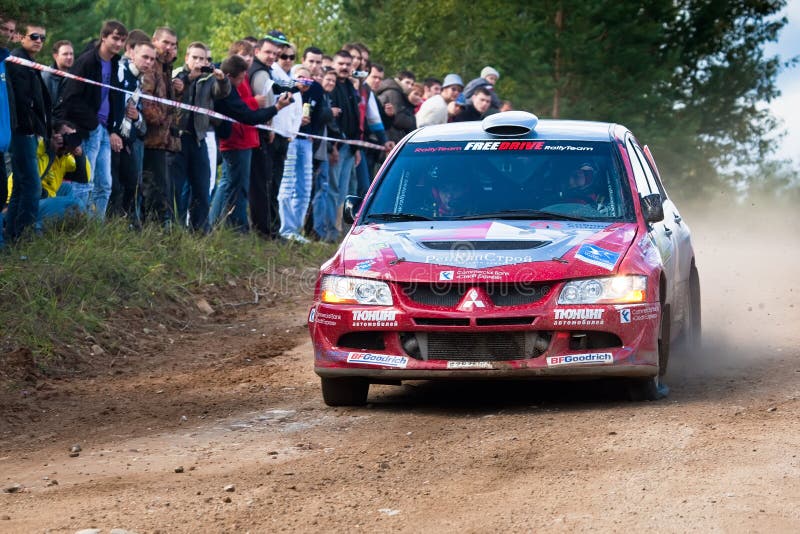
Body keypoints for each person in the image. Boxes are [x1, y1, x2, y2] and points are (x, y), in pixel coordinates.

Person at [209, 54, 292, 232]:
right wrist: (276, 108)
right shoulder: (229, 90)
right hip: (233, 141)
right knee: (234, 186)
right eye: (240, 79)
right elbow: (248, 116)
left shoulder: (232, 85)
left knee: (230, 184)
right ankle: (233, 227)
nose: (242, 82)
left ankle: (216, 223)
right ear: (230, 77)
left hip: (239, 140)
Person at [55, 20, 127, 220]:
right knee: (85, 181)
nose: (118, 43)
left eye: (122, 40)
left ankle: (95, 227)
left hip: (105, 129)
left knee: (105, 184)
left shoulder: (115, 64)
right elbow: (70, 97)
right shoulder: (87, 61)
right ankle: (76, 223)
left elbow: (116, 97)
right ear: (104, 37)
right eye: (114, 38)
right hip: (87, 128)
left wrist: (112, 127)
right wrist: (92, 123)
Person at [170, 42, 230, 232]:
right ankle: (175, 227)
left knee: (202, 187)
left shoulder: (209, 78)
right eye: (195, 57)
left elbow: (222, 93)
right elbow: (173, 95)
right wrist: (189, 78)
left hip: (199, 137)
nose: (198, 61)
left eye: (202, 58)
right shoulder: (178, 75)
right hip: (178, 137)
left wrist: (222, 80)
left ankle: (200, 230)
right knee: (176, 188)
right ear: (187, 57)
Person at [5, 21, 52, 242]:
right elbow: (23, 102)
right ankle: (24, 236)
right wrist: (32, 128)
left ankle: (12, 234)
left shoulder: (28, 62)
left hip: (27, 131)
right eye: (34, 36)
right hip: (21, 131)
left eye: (43, 37)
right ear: (20, 37)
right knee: (32, 186)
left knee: (21, 187)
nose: (39, 41)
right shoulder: (17, 61)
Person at [6, 120, 89, 228]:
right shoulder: (39, 147)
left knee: (67, 188)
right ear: (54, 134)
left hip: (45, 196)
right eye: (66, 135)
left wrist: (80, 155)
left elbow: (84, 178)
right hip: (24, 202)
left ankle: (56, 225)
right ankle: (33, 229)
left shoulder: (64, 158)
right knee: (75, 204)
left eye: (72, 136)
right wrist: (51, 152)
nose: (68, 139)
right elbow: (33, 177)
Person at [140, 26, 181, 228]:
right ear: (154, 41)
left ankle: (158, 230)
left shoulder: (166, 68)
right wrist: (162, 118)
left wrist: (177, 91)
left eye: (173, 45)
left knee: (163, 190)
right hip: (151, 139)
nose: (169, 48)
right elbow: (146, 104)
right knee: (153, 190)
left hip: (165, 140)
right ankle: (151, 231)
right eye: (165, 43)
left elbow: (165, 101)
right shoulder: (151, 66)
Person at [41, 39, 73, 104]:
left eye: (71, 54)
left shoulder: (76, 76)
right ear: (55, 56)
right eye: (65, 54)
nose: (69, 57)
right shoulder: (45, 77)